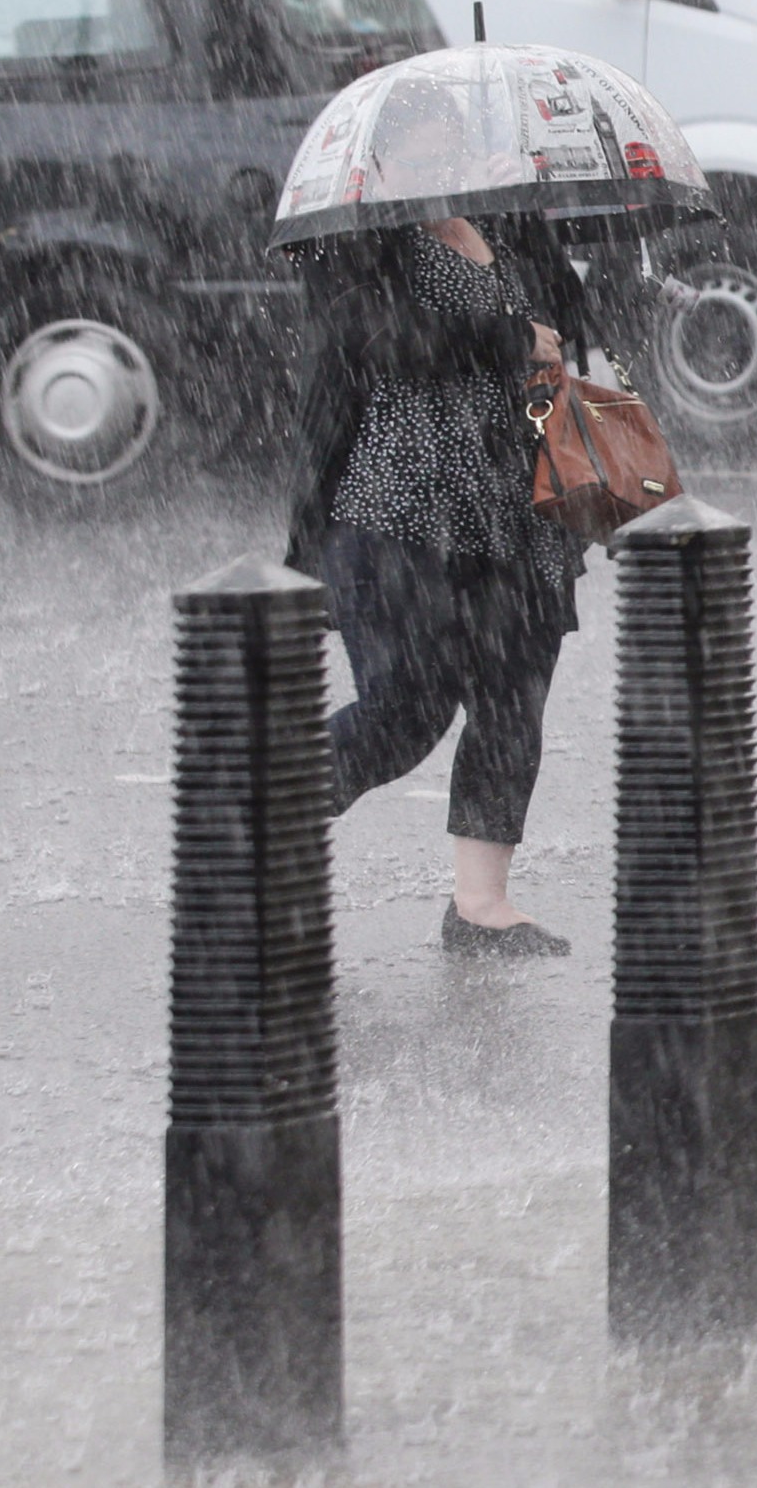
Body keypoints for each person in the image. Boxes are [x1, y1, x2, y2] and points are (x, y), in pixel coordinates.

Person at [285, 211, 595, 957]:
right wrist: (510, 338)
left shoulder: (505, 210)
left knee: (512, 697)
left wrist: (560, 301)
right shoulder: (353, 230)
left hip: (515, 499)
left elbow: (568, 319)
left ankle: (480, 906)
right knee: (403, 708)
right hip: (397, 505)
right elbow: (384, 339)